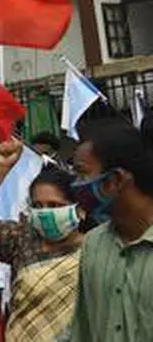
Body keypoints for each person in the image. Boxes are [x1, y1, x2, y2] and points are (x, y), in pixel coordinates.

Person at [0, 137, 84, 342]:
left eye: (54, 205)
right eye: (38, 206)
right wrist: (0, 169)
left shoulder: (97, 248)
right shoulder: (21, 239)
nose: (45, 213)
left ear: (80, 209)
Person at [68, 119, 153, 342]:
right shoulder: (93, 244)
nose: (76, 185)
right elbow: (82, 330)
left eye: (82, 174)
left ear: (115, 180)